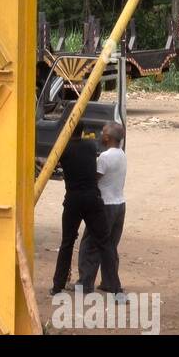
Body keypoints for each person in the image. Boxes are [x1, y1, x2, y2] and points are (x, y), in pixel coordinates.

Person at [51, 122, 120, 296]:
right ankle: (116, 289)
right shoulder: (90, 146)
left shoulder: (62, 149)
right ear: (82, 131)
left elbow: (53, 165)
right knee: (105, 243)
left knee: (67, 243)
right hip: (92, 199)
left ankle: (57, 286)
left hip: (72, 200)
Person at [76, 122, 127, 293]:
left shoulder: (105, 158)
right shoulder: (121, 154)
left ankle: (85, 283)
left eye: (103, 132)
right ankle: (109, 282)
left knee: (90, 245)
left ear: (107, 137)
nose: (100, 135)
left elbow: (93, 179)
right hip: (119, 204)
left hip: (104, 206)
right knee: (110, 246)